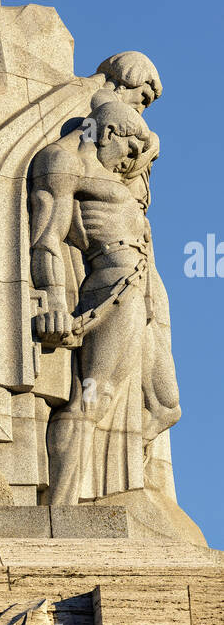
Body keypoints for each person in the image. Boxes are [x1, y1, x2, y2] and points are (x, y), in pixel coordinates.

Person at [29, 99, 180, 504]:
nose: (130, 164)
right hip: (112, 285)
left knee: (167, 407)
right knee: (92, 399)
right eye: (129, 150)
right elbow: (46, 238)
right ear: (108, 134)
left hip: (140, 290)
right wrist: (55, 301)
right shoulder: (62, 163)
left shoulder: (102, 170)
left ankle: (118, 477)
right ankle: (59, 506)